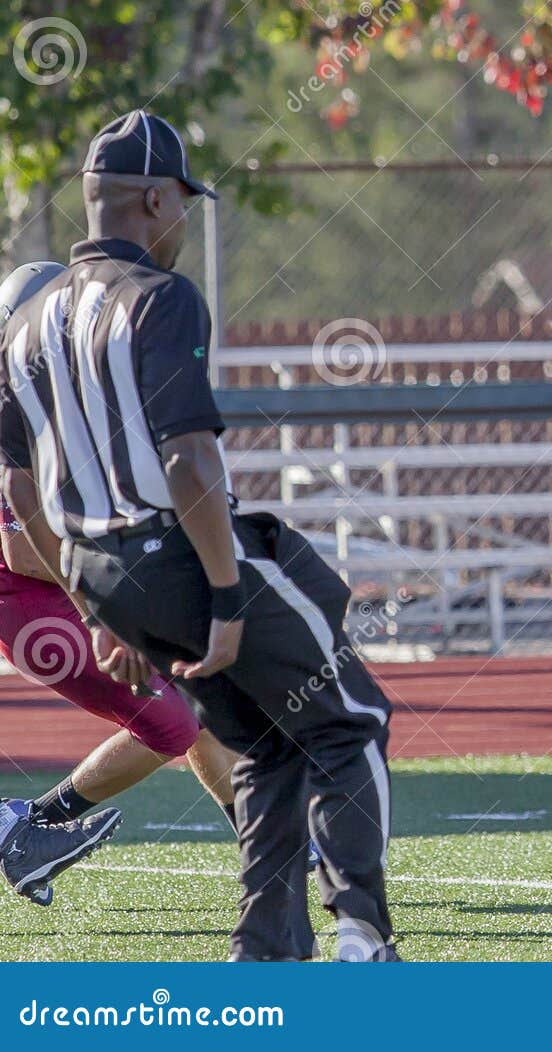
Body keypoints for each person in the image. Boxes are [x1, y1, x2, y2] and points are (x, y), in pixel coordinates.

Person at [0, 110, 395, 961]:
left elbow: (20, 488)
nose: (184, 220)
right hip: (169, 556)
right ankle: (364, 936)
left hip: (100, 573)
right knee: (349, 716)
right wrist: (224, 594)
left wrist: (95, 604)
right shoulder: (160, 297)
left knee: (259, 741)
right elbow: (188, 464)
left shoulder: (29, 327)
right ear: (151, 198)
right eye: (181, 201)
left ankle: (265, 951)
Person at [0, 261, 315, 911]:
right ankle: (24, 827)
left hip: (61, 583)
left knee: (192, 693)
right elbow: (24, 552)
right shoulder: (21, 411)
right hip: (28, 596)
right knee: (167, 720)